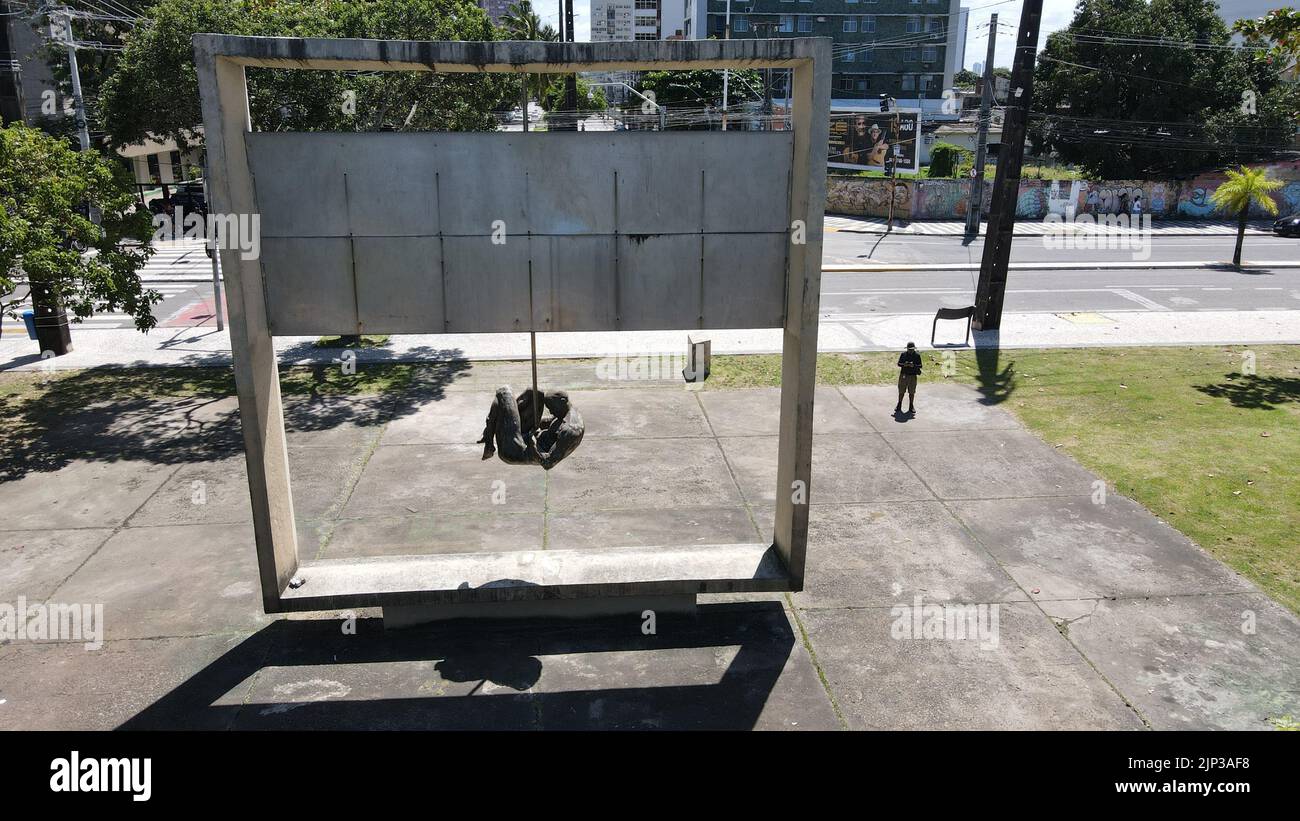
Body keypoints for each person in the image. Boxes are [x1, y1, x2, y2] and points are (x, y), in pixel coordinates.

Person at [478, 386, 584, 470]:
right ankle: (490, 431)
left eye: (552, 408)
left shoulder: (570, 431)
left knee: (504, 393)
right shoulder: (568, 412)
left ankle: (489, 442)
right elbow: (551, 421)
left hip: (517, 450)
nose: (551, 412)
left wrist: (531, 441)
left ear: (562, 400)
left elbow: (548, 463)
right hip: (530, 438)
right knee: (535, 392)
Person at [895, 342, 922, 415]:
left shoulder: (917, 355)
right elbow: (899, 364)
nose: (911, 351)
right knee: (901, 391)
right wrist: (905, 364)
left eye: (912, 349)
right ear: (907, 349)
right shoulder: (903, 355)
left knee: (912, 391)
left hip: (913, 376)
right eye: (909, 349)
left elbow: (920, 366)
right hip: (904, 375)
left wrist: (913, 365)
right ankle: (899, 404)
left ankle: (911, 405)